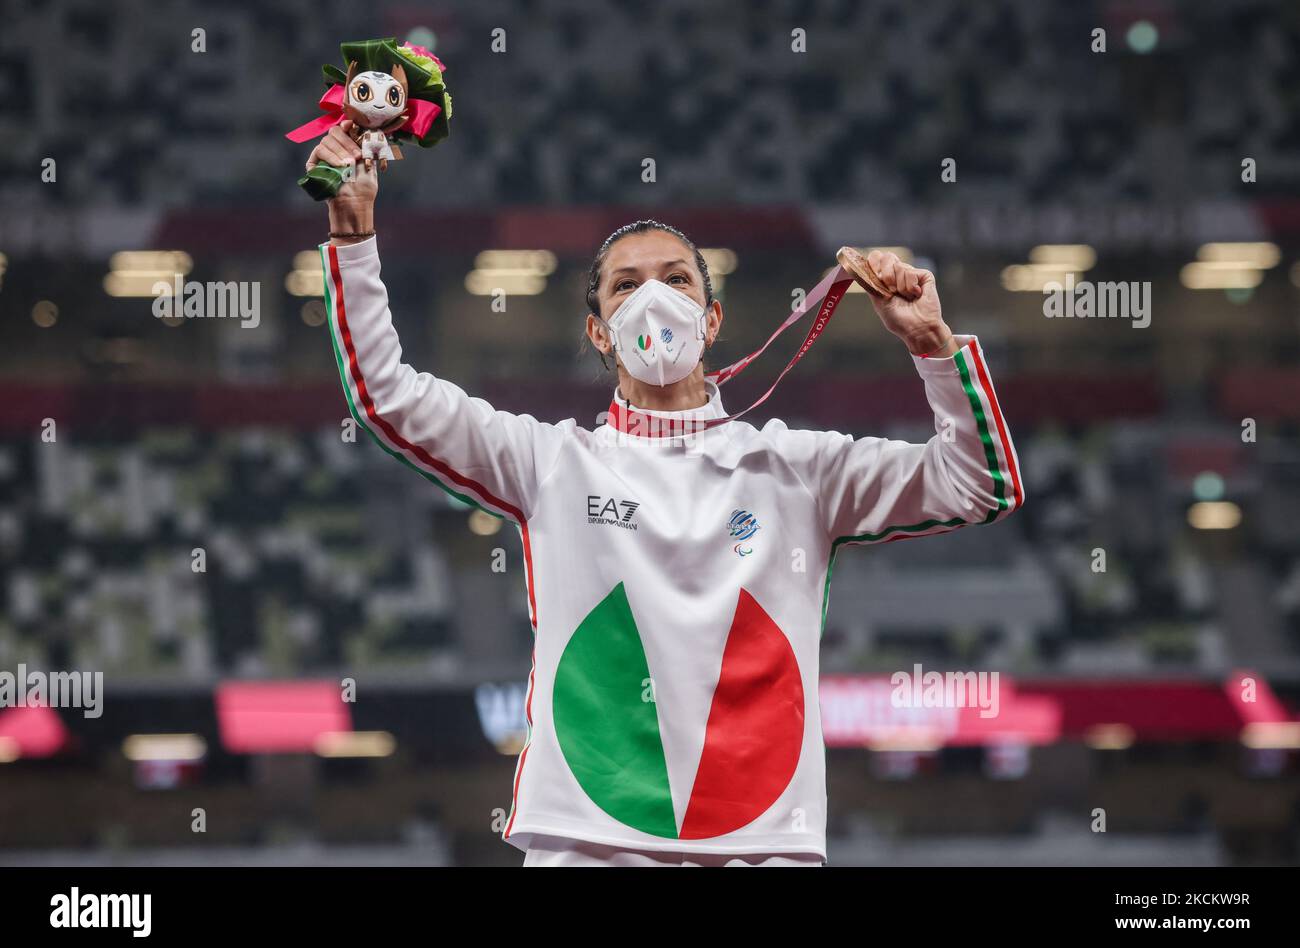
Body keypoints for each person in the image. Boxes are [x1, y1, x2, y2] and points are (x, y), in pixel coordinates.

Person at [307, 121, 1024, 867]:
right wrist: (352, 231)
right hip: (586, 841)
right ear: (599, 332)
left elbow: (980, 483)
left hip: (763, 846)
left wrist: (933, 349)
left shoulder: (797, 470)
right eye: (626, 284)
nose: (654, 298)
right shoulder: (551, 463)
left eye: (677, 278)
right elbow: (384, 395)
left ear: (711, 320)